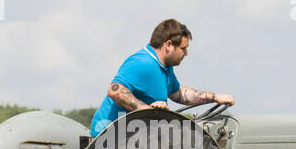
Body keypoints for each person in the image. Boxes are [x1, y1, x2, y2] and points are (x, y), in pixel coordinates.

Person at [89, 19, 235, 135]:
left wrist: (215, 97)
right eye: (183, 49)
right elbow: (115, 90)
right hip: (111, 140)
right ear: (169, 45)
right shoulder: (143, 63)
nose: (186, 54)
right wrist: (147, 110)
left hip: (134, 137)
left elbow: (179, 94)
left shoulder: (165, 67)